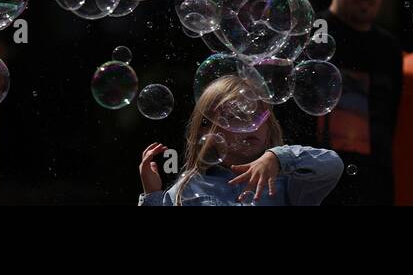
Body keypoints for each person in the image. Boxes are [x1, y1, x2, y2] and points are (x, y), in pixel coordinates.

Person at [137, 75, 342, 206]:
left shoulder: (287, 181)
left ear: (269, 125)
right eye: (236, 116)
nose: (250, 124)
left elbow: (332, 165)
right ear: (208, 130)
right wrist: (153, 194)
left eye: (256, 115)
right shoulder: (188, 187)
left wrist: (278, 158)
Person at [313, 0, 403, 205]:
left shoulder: (389, 49)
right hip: (316, 192)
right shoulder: (312, 37)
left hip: (372, 192)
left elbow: (388, 130)